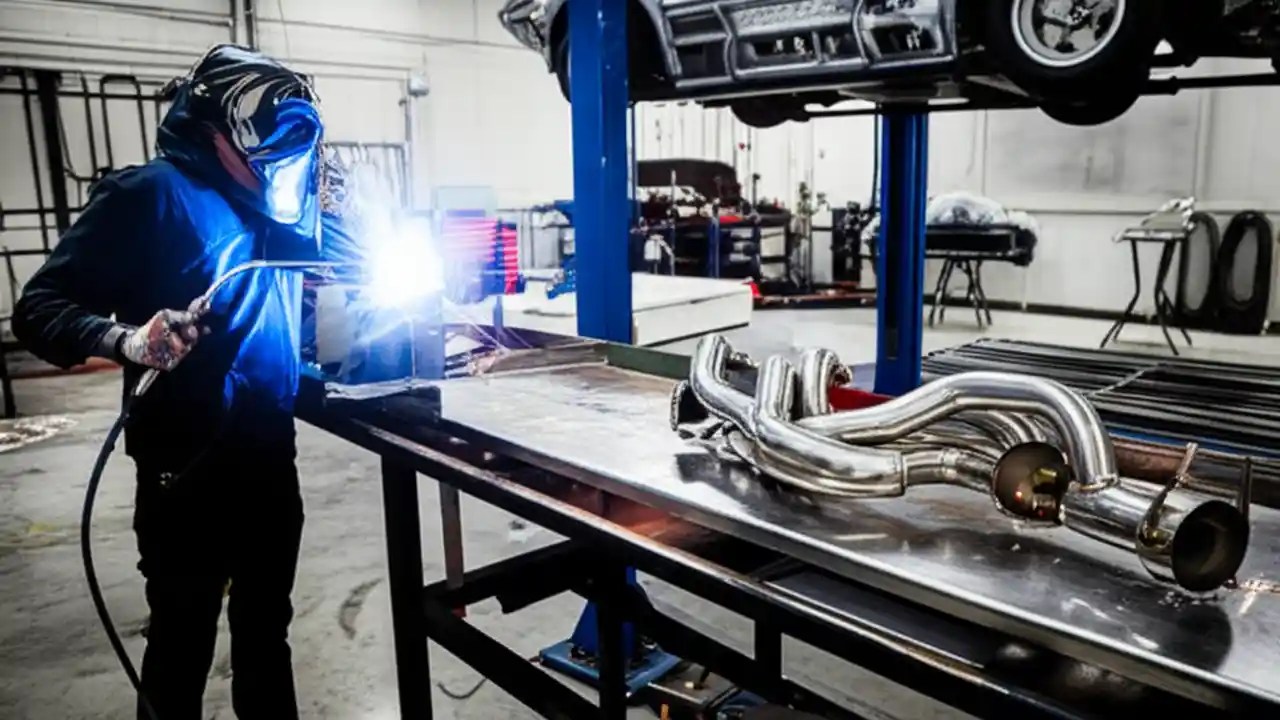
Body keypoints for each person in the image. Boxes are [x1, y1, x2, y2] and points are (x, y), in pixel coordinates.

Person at [13, 45, 331, 720]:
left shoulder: (280, 209)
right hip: (185, 477)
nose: (281, 169)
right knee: (182, 646)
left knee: (266, 640)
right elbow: (37, 308)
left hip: (272, 468)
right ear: (216, 131)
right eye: (267, 151)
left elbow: (309, 293)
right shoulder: (149, 196)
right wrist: (127, 341)